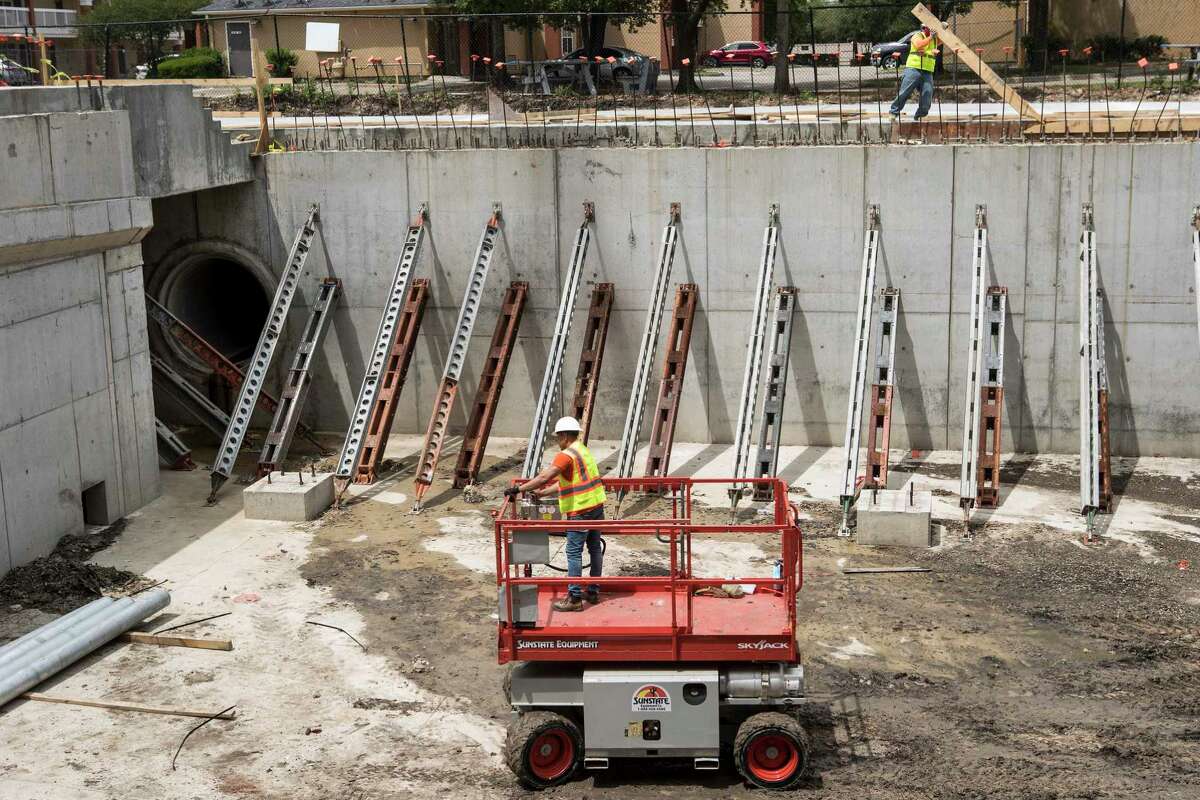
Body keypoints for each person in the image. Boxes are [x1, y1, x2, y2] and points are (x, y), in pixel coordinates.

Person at [505, 416, 607, 612]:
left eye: (558, 437)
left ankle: (574, 598)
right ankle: (593, 591)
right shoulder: (582, 450)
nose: (557, 441)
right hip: (596, 507)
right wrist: (543, 493)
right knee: (594, 548)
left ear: (564, 436)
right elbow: (568, 482)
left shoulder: (565, 455)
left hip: (580, 511)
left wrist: (518, 490)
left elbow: (545, 476)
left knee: (573, 552)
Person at [889, 24, 940, 121]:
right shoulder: (917, 35)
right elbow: (918, 45)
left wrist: (943, 29)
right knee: (905, 91)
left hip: (927, 70)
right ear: (924, 28)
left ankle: (921, 115)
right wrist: (930, 37)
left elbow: (943, 40)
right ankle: (893, 112)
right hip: (914, 68)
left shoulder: (934, 39)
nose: (927, 29)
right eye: (926, 28)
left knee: (927, 93)